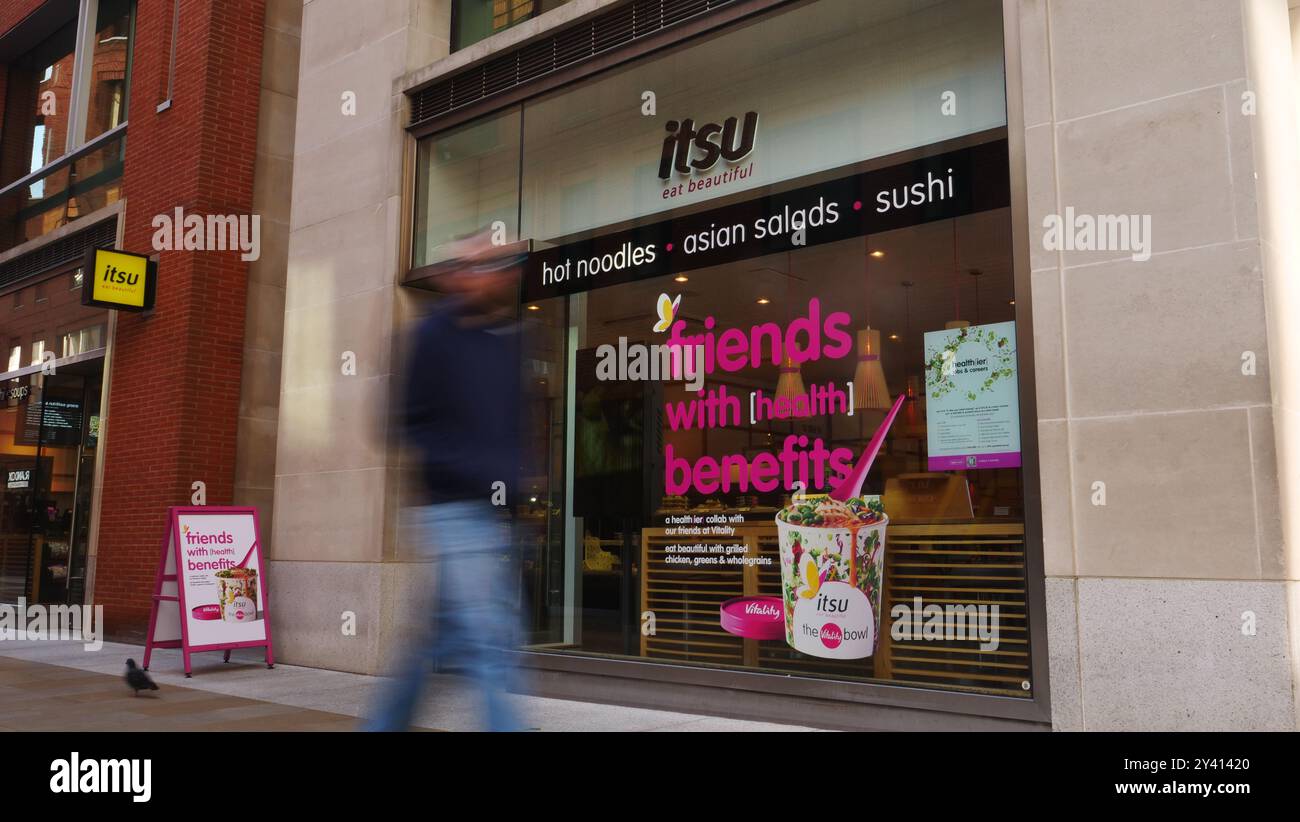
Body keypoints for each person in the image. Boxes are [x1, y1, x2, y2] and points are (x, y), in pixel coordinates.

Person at [365, 229, 526, 732]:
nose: (492, 276)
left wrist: (514, 483)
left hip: (490, 511)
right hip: (449, 507)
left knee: (436, 641)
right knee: (491, 642)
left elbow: (512, 425)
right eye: (480, 267)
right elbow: (402, 423)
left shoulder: (508, 339)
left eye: (501, 266)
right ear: (457, 276)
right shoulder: (430, 337)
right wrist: (471, 466)